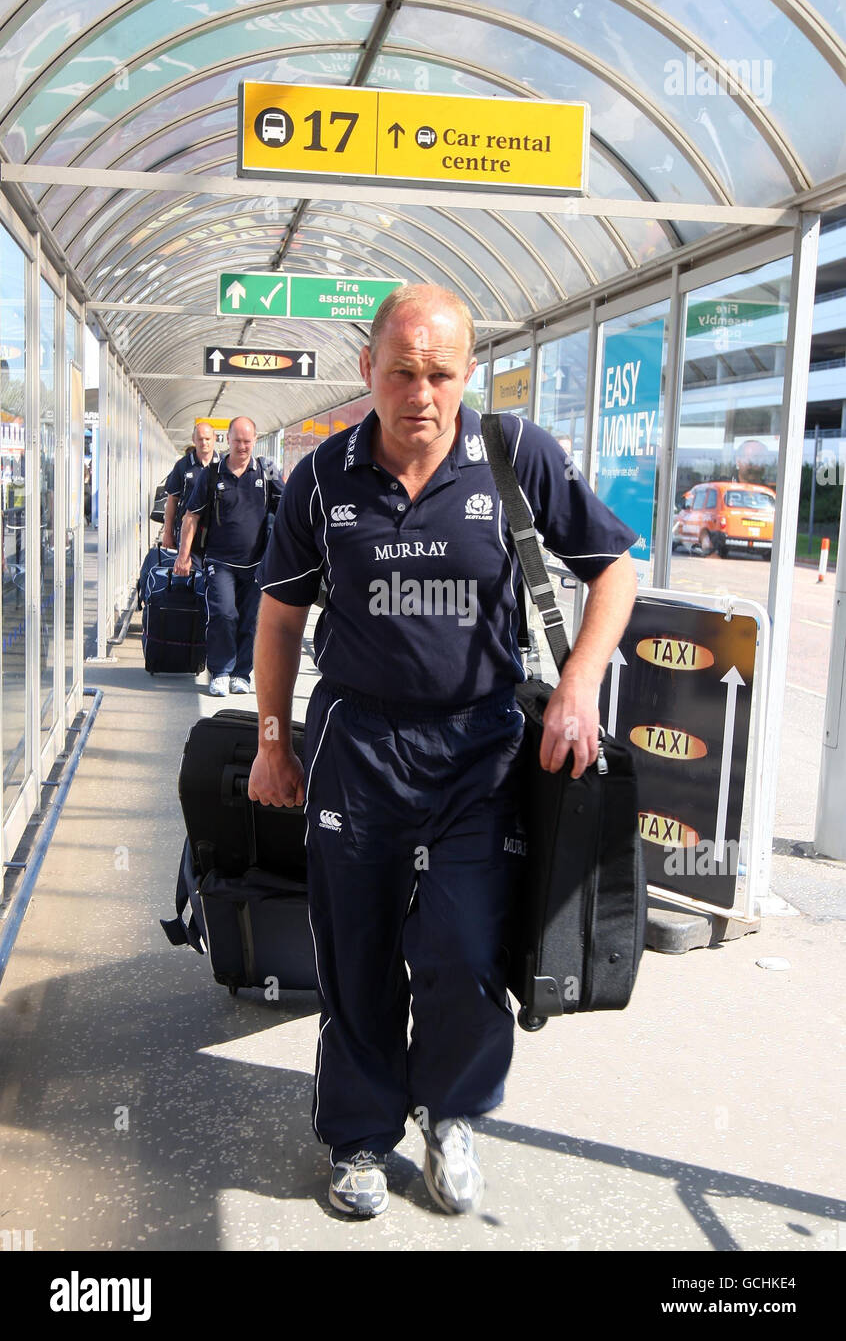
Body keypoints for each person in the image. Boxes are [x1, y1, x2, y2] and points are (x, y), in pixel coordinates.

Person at [248, 285, 638, 1219]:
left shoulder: (514, 456)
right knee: (358, 948)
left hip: (479, 750)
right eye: (400, 371)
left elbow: (616, 568)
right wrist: (273, 739)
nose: (420, 393)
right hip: (358, 745)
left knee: (464, 950)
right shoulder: (323, 476)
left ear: (469, 371)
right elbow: (277, 615)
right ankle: (358, 1137)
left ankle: (452, 1114)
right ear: (366, 372)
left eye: (440, 373)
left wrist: (579, 684)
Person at [176, 416, 284, 696]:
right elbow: (191, 516)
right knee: (224, 614)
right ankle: (221, 671)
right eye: (237, 440)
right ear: (228, 440)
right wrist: (183, 555)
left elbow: (287, 510)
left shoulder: (267, 472)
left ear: (255, 440)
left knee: (250, 619)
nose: (242, 446)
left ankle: (241, 673)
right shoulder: (211, 474)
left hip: (257, 563)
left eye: (247, 441)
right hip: (219, 561)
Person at [161, 420, 219, 552]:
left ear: (214, 438)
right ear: (194, 439)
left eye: (208, 438)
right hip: (187, 531)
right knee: (187, 570)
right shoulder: (182, 465)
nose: (204, 443)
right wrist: (168, 532)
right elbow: (172, 500)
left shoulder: (224, 465)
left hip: (216, 532)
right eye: (200, 439)